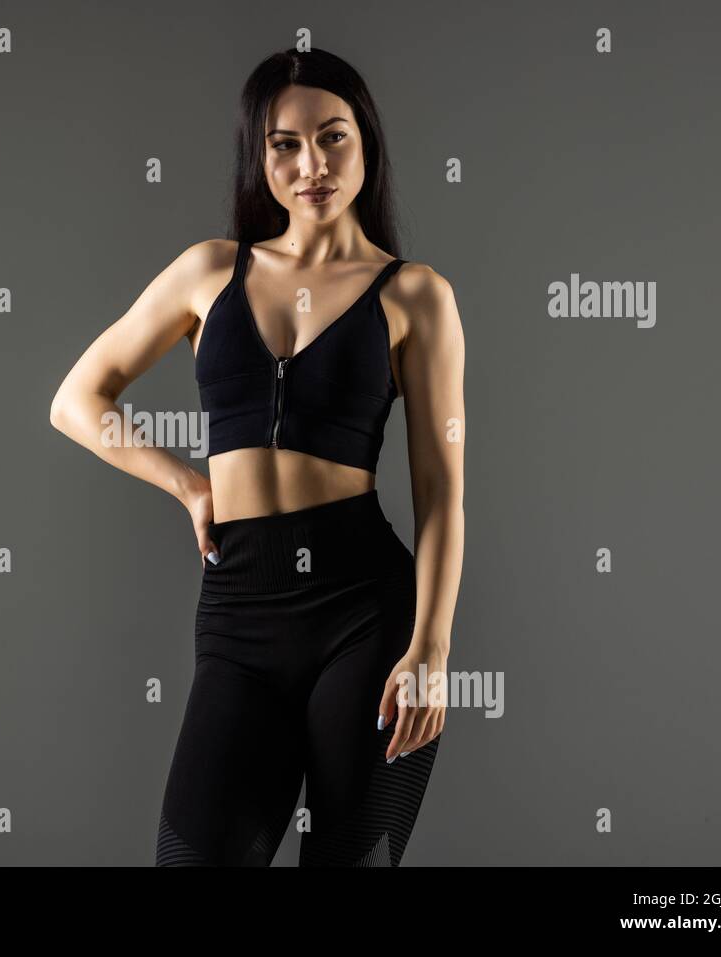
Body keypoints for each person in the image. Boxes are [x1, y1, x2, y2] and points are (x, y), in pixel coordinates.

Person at [49, 47, 465, 866]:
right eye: (285, 144)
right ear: (260, 155)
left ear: (366, 143)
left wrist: (432, 649)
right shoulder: (209, 272)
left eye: (332, 137)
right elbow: (76, 400)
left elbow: (439, 489)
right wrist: (186, 485)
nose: (311, 165)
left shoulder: (415, 294)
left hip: (364, 612)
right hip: (240, 612)